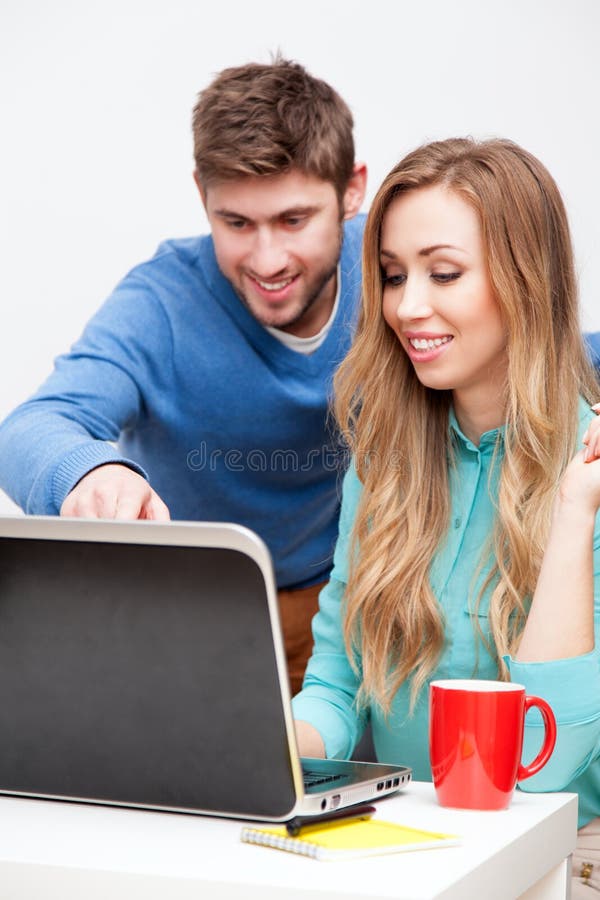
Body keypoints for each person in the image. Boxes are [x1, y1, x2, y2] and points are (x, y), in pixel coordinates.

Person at [291, 138, 600, 895]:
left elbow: (541, 765)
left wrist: (572, 516)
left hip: (560, 848)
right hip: (411, 842)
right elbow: (336, 686)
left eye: (445, 273)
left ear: (527, 281)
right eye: (393, 276)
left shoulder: (587, 470)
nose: (406, 306)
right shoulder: (385, 461)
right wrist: (259, 750)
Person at [0, 58, 367, 695]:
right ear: (202, 195)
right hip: (192, 620)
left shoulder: (395, 271)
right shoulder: (162, 302)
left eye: (293, 220)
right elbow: (33, 425)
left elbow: (536, 341)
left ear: (352, 191)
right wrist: (92, 471)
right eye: (237, 223)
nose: (268, 259)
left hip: (343, 620)